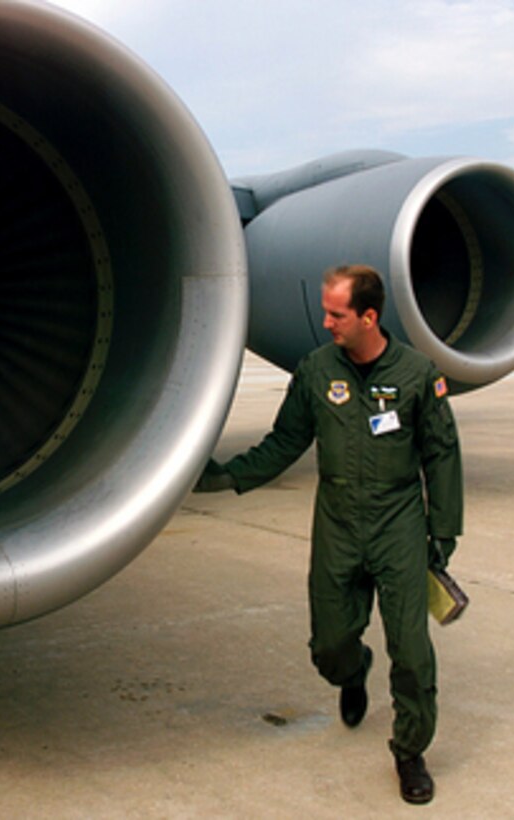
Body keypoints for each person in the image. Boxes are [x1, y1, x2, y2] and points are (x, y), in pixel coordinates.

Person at [195, 264, 462, 805]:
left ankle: (409, 752)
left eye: (336, 313)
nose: (326, 322)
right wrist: (219, 476)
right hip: (338, 524)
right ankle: (353, 671)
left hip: (398, 525)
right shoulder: (316, 371)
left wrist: (443, 531)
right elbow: (283, 441)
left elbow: (442, 454)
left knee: (412, 651)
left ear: (368, 316)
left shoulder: (416, 374)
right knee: (329, 647)